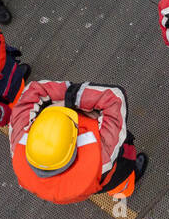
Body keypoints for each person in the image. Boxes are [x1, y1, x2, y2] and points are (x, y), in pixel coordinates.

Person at [9, 79, 147, 204]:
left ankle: (119, 192)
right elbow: (114, 97)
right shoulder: (102, 156)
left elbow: (31, 94)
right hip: (116, 171)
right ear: (73, 144)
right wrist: (70, 99)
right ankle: (124, 190)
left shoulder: (19, 143)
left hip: (92, 184)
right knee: (122, 179)